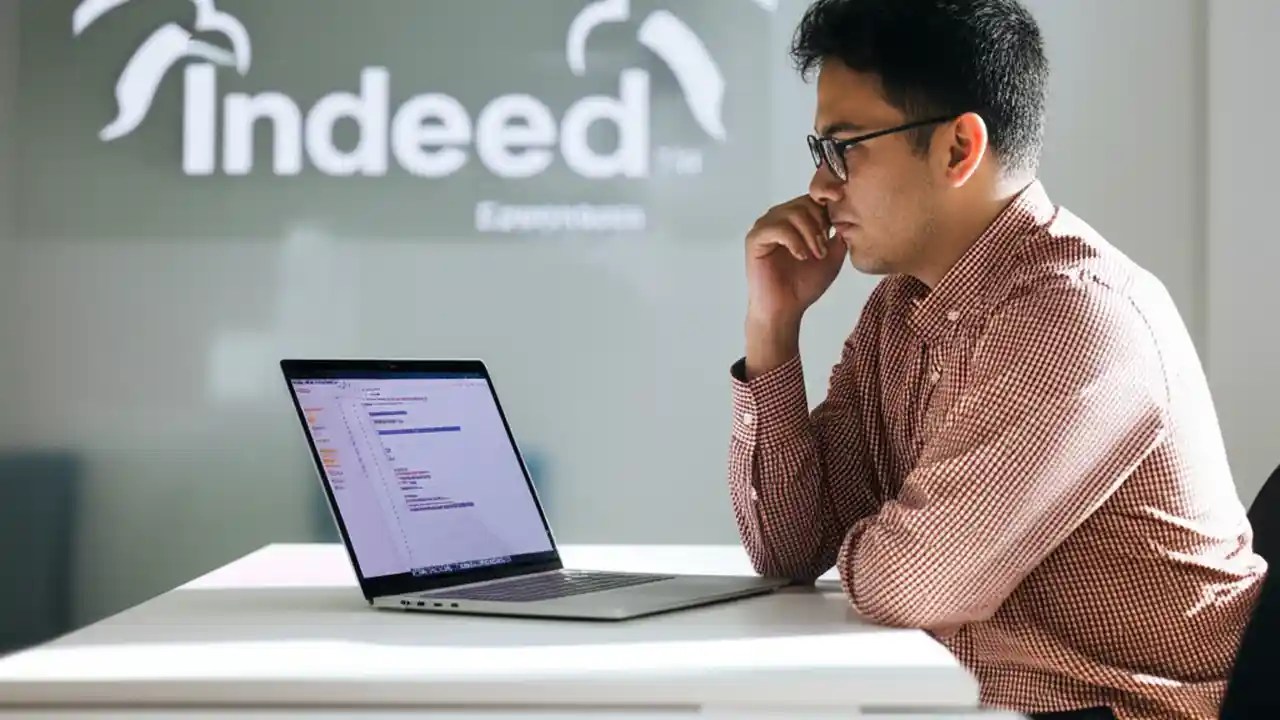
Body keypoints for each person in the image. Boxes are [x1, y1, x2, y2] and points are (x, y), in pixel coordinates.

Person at [725, 1, 1267, 718]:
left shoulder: (1074, 317)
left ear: (958, 149)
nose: (822, 187)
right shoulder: (901, 309)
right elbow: (790, 550)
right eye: (819, 151)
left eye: (845, 147)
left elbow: (914, 579)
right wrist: (773, 325)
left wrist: (887, 539)